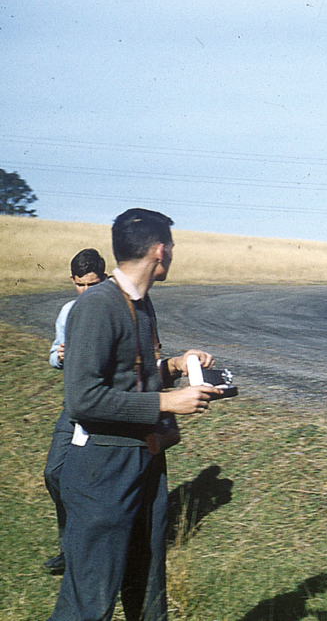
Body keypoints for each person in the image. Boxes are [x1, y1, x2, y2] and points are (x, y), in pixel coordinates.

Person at [49, 208, 218, 621]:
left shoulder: (140, 305)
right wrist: (167, 402)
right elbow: (84, 399)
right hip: (101, 471)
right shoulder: (96, 306)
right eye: (172, 246)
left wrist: (176, 366)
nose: (173, 253)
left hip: (145, 462)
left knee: (146, 594)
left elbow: (128, 379)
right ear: (160, 250)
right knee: (89, 603)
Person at [42, 248, 108, 575]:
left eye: (93, 285)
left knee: (94, 484)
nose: (86, 292)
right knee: (54, 473)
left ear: (105, 279)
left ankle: (92, 554)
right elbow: (54, 354)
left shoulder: (115, 309)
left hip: (107, 408)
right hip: (75, 407)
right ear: (72, 281)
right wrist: (61, 356)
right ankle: (69, 551)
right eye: (80, 285)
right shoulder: (68, 311)